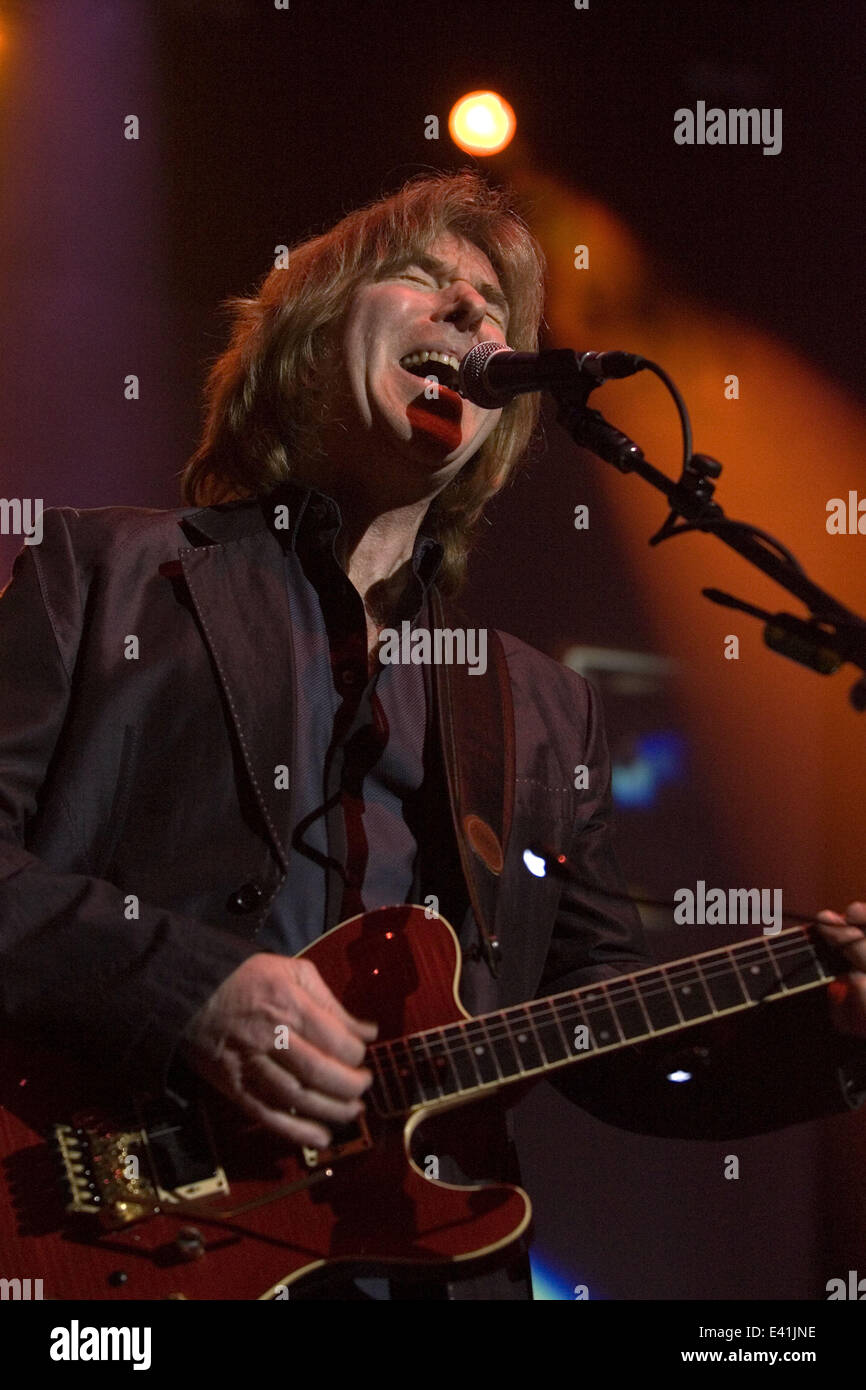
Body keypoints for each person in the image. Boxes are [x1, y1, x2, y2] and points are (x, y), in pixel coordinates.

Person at [1, 171, 865, 1301]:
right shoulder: (105, 578)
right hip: (99, 1242)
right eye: (425, 279)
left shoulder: (540, 713)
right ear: (307, 338)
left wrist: (834, 1032)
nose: (472, 316)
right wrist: (190, 992)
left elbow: (623, 1051)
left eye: (494, 304)